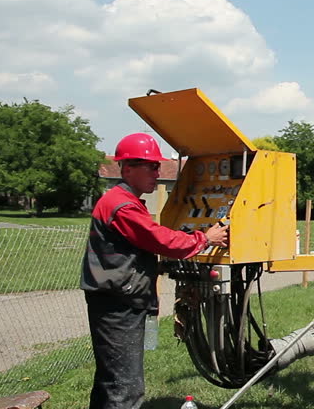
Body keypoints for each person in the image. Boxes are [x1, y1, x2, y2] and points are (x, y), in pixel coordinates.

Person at [80, 132, 228, 409]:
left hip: (116, 300)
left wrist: (154, 265)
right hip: (118, 306)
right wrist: (206, 238)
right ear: (128, 168)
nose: (157, 172)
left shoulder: (123, 200)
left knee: (110, 379)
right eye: (150, 166)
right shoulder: (121, 205)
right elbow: (160, 238)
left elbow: (130, 249)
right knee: (126, 386)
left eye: (158, 166)